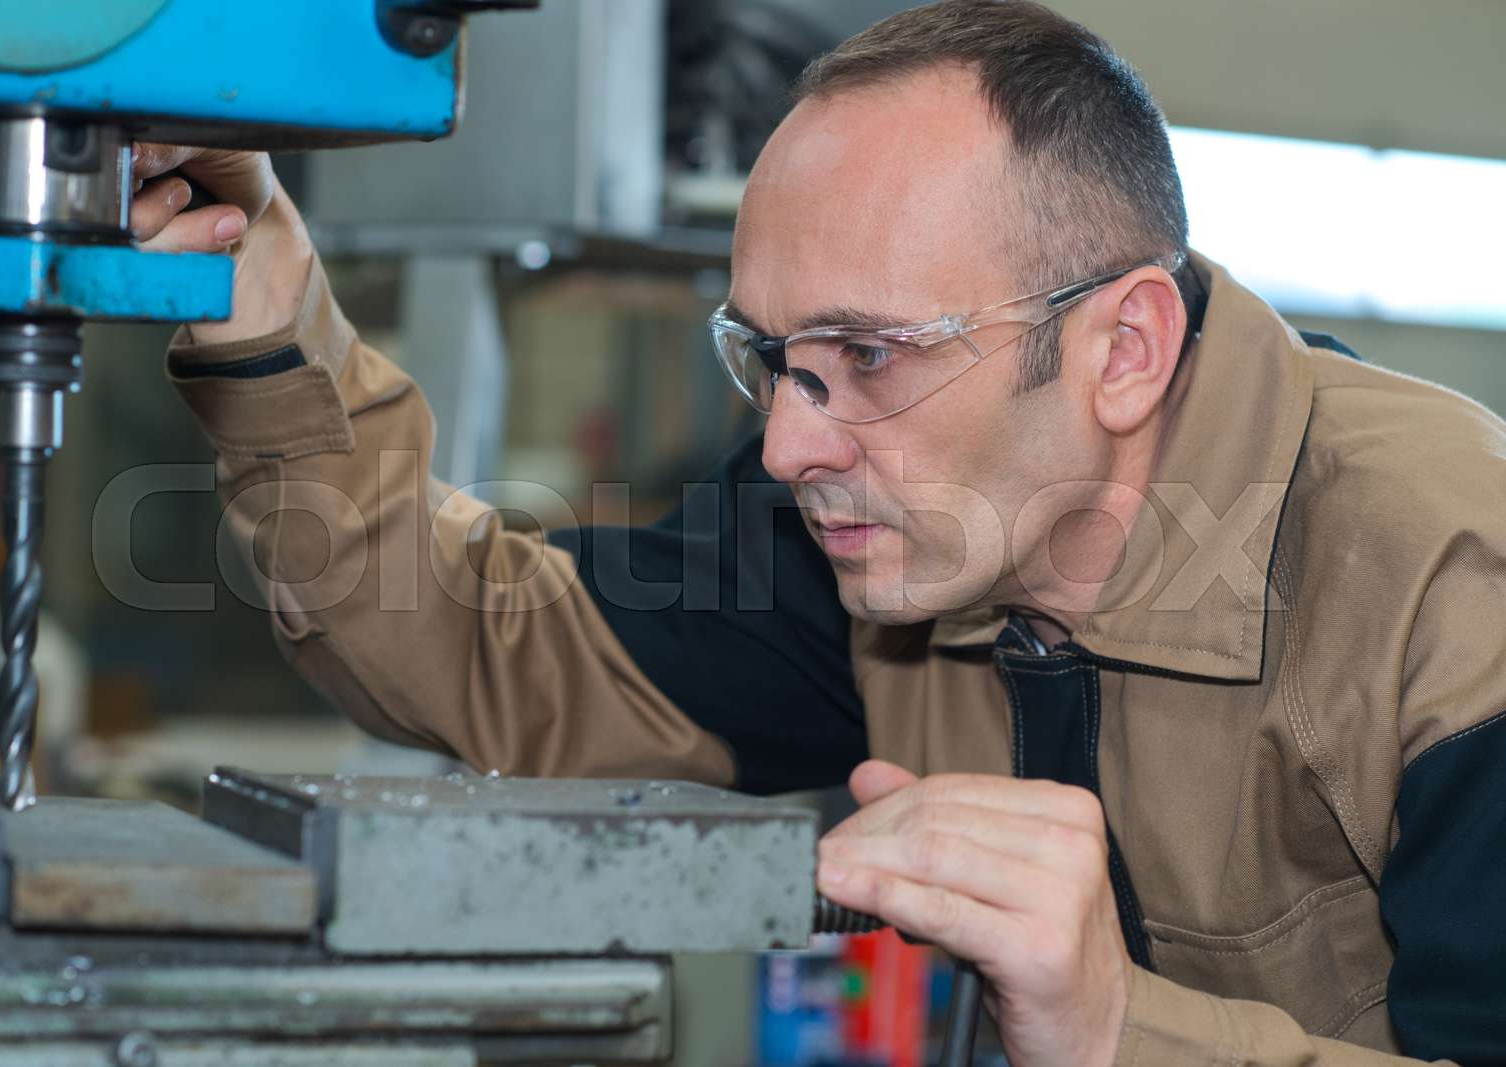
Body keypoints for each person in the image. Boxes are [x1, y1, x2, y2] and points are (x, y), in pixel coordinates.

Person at [130, 2, 1506, 1062]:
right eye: (774, 356)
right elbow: (490, 656)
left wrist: (1111, 1032)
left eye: (869, 352)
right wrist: (272, 335)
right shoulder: (867, 539)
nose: (791, 444)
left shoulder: (1450, 583)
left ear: (1125, 349)